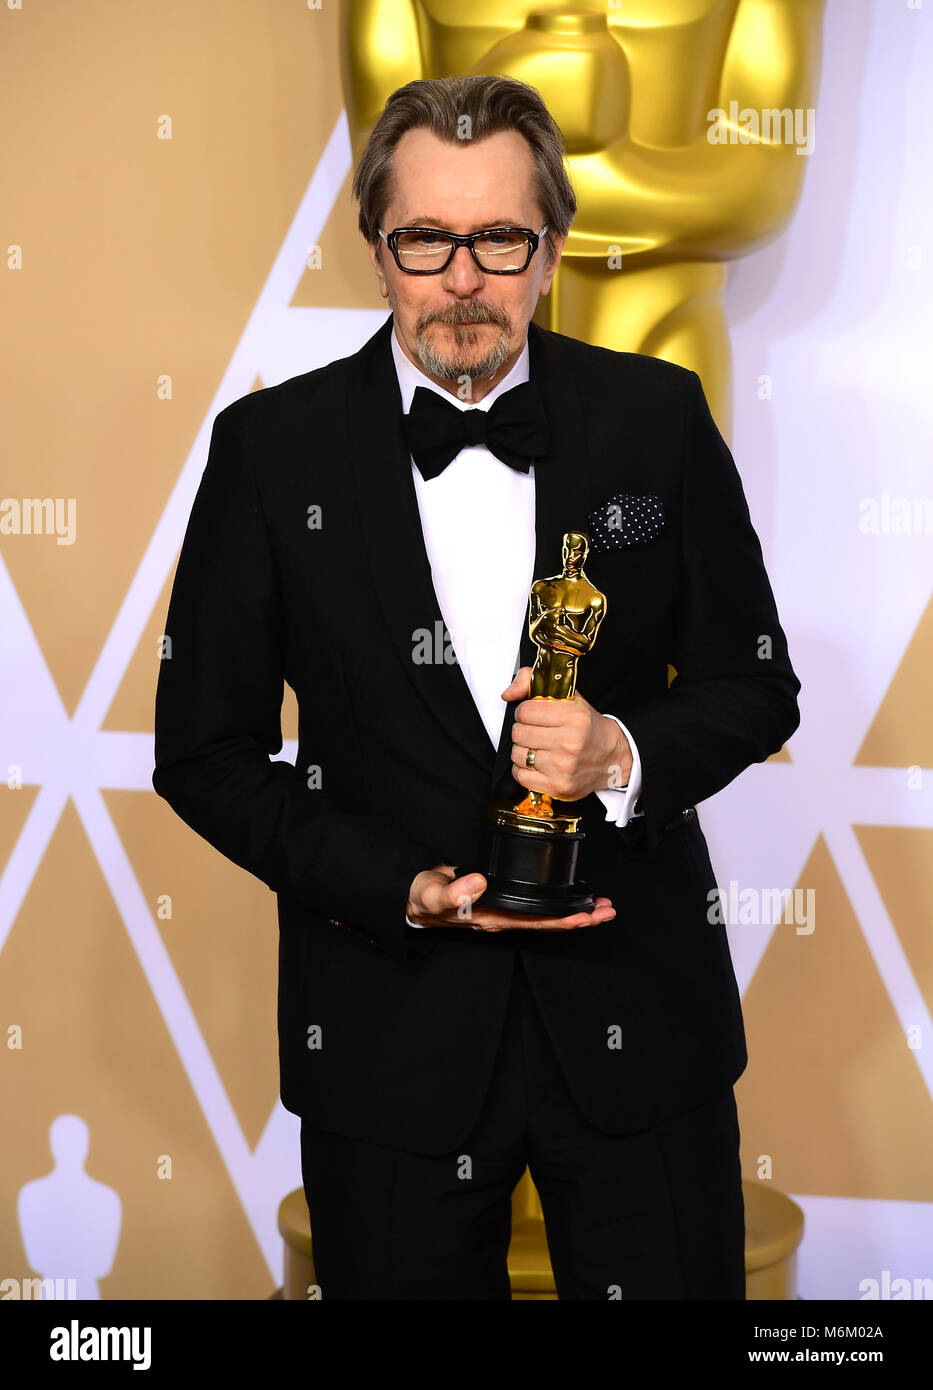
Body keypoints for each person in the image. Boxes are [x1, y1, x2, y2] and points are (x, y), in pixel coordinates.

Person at [152, 74, 801, 1300]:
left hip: (636, 1027)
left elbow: (755, 684)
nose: (463, 276)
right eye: (426, 239)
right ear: (376, 248)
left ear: (550, 248)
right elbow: (203, 752)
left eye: (500, 237)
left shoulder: (654, 420)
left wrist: (620, 754)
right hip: (388, 1041)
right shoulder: (269, 452)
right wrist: (396, 887)